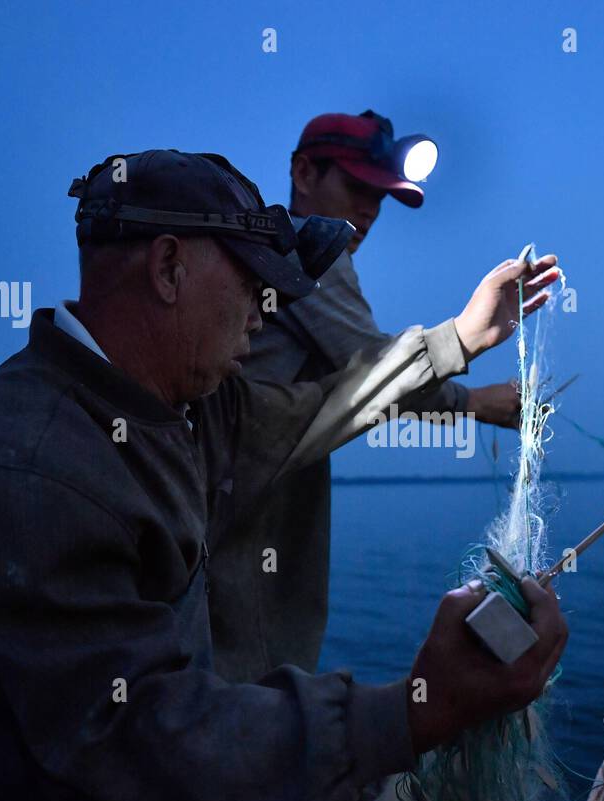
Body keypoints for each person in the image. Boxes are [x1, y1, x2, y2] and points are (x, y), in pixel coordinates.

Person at [0, 149, 566, 801]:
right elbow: (144, 729)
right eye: (256, 285)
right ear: (167, 268)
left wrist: (456, 339)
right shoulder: (24, 458)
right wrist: (414, 711)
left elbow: (332, 406)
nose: (268, 313)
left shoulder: (195, 412)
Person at [211, 110, 522, 683]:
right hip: (234, 508)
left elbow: (369, 383)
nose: (369, 210)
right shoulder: (303, 252)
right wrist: (477, 399)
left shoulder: (291, 259)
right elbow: (377, 372)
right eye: (357, 187)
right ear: (304, 172)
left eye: (381, 197)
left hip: (244, 503)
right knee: (245, 684)